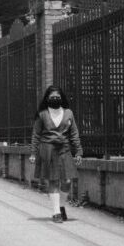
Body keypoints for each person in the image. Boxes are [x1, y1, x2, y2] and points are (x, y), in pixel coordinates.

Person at [29, 85, 83, 223]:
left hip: (64, 149)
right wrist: (33, 153)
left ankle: (61, 206)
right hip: (48, 150)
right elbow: (36, 135)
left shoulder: (68, 113)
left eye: (57, 97)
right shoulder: (42, 114)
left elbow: (74, 134)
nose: (55, 99)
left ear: (61, 98)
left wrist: (78, 152)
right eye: (52, 97)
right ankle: (56, 213)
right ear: (47, 99)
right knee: (53, 181)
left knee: (67, 181)